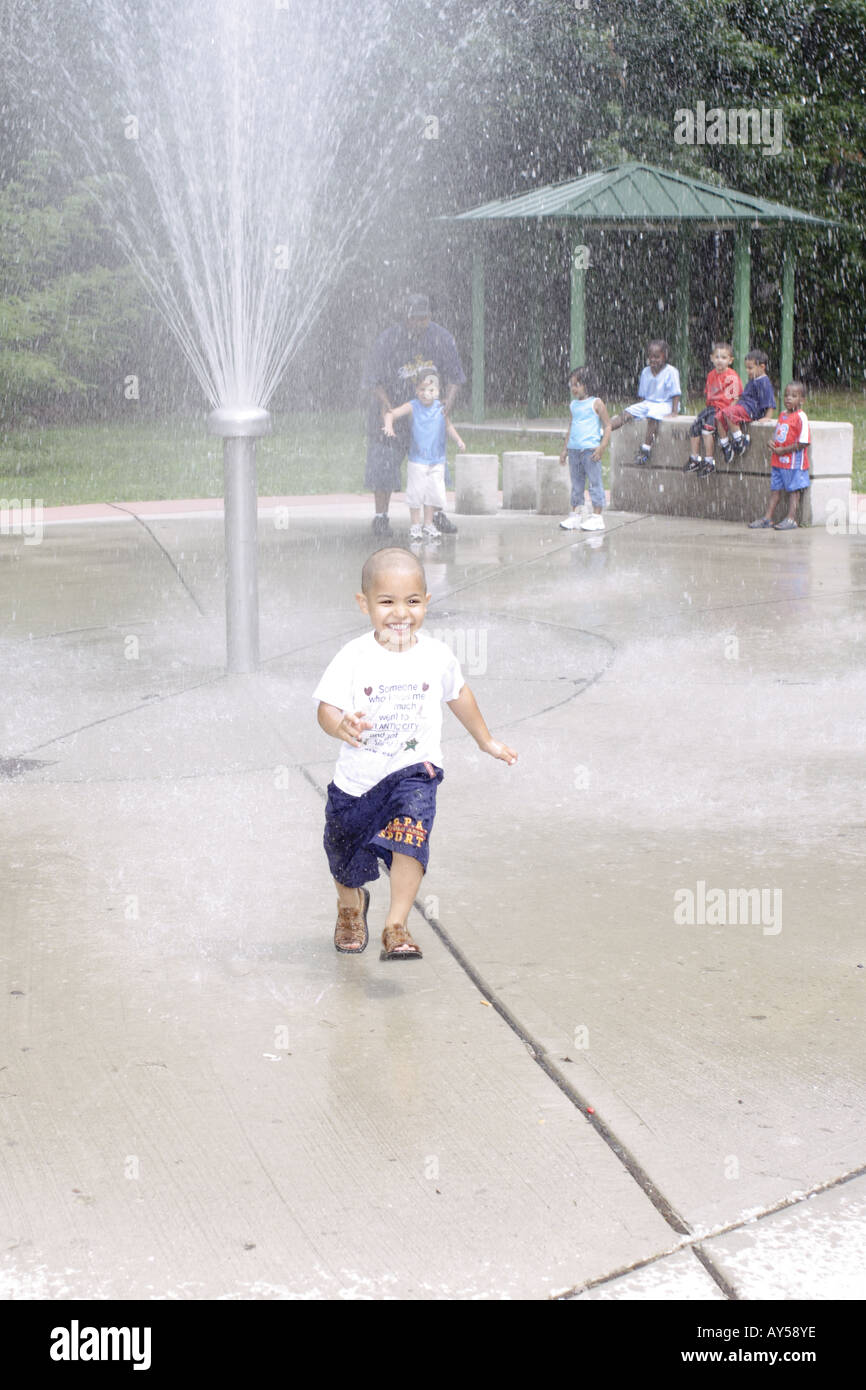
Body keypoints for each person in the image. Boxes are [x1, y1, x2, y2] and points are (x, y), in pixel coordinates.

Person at [313, 547, 517, 960]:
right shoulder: (353, 656)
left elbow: (458, 694)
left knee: (411, 837)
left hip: (414, 772)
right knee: (341, 853)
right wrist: (338, 724)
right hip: (357, 782)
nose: (400, 613)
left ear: (426, 601)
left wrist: (485, 740)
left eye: (412, 601)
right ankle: (351, 905)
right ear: (364, 603)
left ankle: (396, 924)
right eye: (387, 602)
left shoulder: (436, 655)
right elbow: (326, 708)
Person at [362, 294, 466, 536]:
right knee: (383, 464)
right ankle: (380, 517)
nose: (419, 323)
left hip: (427, 419)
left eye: (424, 318)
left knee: (434, 467)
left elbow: (455, 378)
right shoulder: (388, 340)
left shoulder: (442, 338)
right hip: (395, 414)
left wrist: (447, 404)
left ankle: (436, 515)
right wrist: (387, 405)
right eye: (415, 319)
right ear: (406, 317)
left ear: (430, 316)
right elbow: (372, 380)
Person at [383, 370, 465, 540]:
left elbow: (448, 426)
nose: (426, 393)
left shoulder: (441, 409)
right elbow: (391, 413)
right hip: (418, 460)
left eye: (431, 390)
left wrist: (458, 440)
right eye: (422, 389)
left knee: (432, 494)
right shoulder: (413, 406)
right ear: (416, 390)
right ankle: (415, 526)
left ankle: (428, 524)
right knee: (416, 493)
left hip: (437, 460)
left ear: (438, 391)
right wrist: (389, 425)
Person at [748, 382, 811, 530]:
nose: (788, 398)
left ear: (802, 400)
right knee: (775, 490)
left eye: (794, 396)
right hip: (778, 461)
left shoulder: (801, 417)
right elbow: (780, 434)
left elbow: (804, 442)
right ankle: (768, 518)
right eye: (786, 395)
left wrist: (784, 450)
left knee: (794, 490)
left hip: (793, 463)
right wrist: (772, 443)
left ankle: (791, 518)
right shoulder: (782, 415)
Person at [609, 339, 681, 466]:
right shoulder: (645, 372)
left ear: (665, 356)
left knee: (652, 416)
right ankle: (601, 433)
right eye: (651, 357)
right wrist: (639, 411)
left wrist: (674, 412)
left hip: (666, 403)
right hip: (648, 403)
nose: (653, 360)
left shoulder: (671, 371)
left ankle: (646, 449)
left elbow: (676, 393)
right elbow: (642, 396)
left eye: (657, 357)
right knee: (626, 413)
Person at [558, 365, 611, 531]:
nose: (573, 388)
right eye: (571, 385)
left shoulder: (596, 403)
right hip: (574, 450)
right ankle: (576, 515)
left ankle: (597, 517)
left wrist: (602, 447)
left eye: (577, 384)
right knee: (577, 485)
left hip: (590, 450)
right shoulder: (573, 405)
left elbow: (608, 425)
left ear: (587, 385)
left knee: (595, 483)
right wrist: (565, 449)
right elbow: (571, 426)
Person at [683, 342, 743, 477]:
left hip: (721, 410)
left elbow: (735, 398)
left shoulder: (731, 376)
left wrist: (725, 415)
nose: (720, 360)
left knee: (707, 430)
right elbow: (709, 395)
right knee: (694, 428)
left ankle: (709, 462)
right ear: (711, 358)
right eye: (717, 357)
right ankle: (694, 459)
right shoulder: (711, 375)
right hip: (710, 408)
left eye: (724, 357)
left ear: (730, 360)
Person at [717, 349, 776, 456]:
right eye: (746, 368)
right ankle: (725, 445)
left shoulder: (764, 382)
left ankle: (740, 440)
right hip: (744, 407)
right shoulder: (753, 379)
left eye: (750, 368)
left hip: (751, 410)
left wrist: (767, 417)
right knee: (719, 415)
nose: (747, 371)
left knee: (729, 413)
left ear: (762, 367)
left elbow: (770, 401)